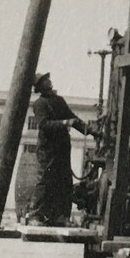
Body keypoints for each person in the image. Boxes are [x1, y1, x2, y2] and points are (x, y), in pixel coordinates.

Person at [25, 71, 90, 226]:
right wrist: (63, 124)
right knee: (45, 181)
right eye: (45, 80)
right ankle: (35, 215)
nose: (49, 81)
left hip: (62, 148)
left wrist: (90, 131)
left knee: (65, 181)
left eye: (48, 79)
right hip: (48, 150)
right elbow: (43, 125)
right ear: (40, 86)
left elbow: (72, 119)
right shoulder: (39, 104)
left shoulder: (59, 101)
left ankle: (62, 216)